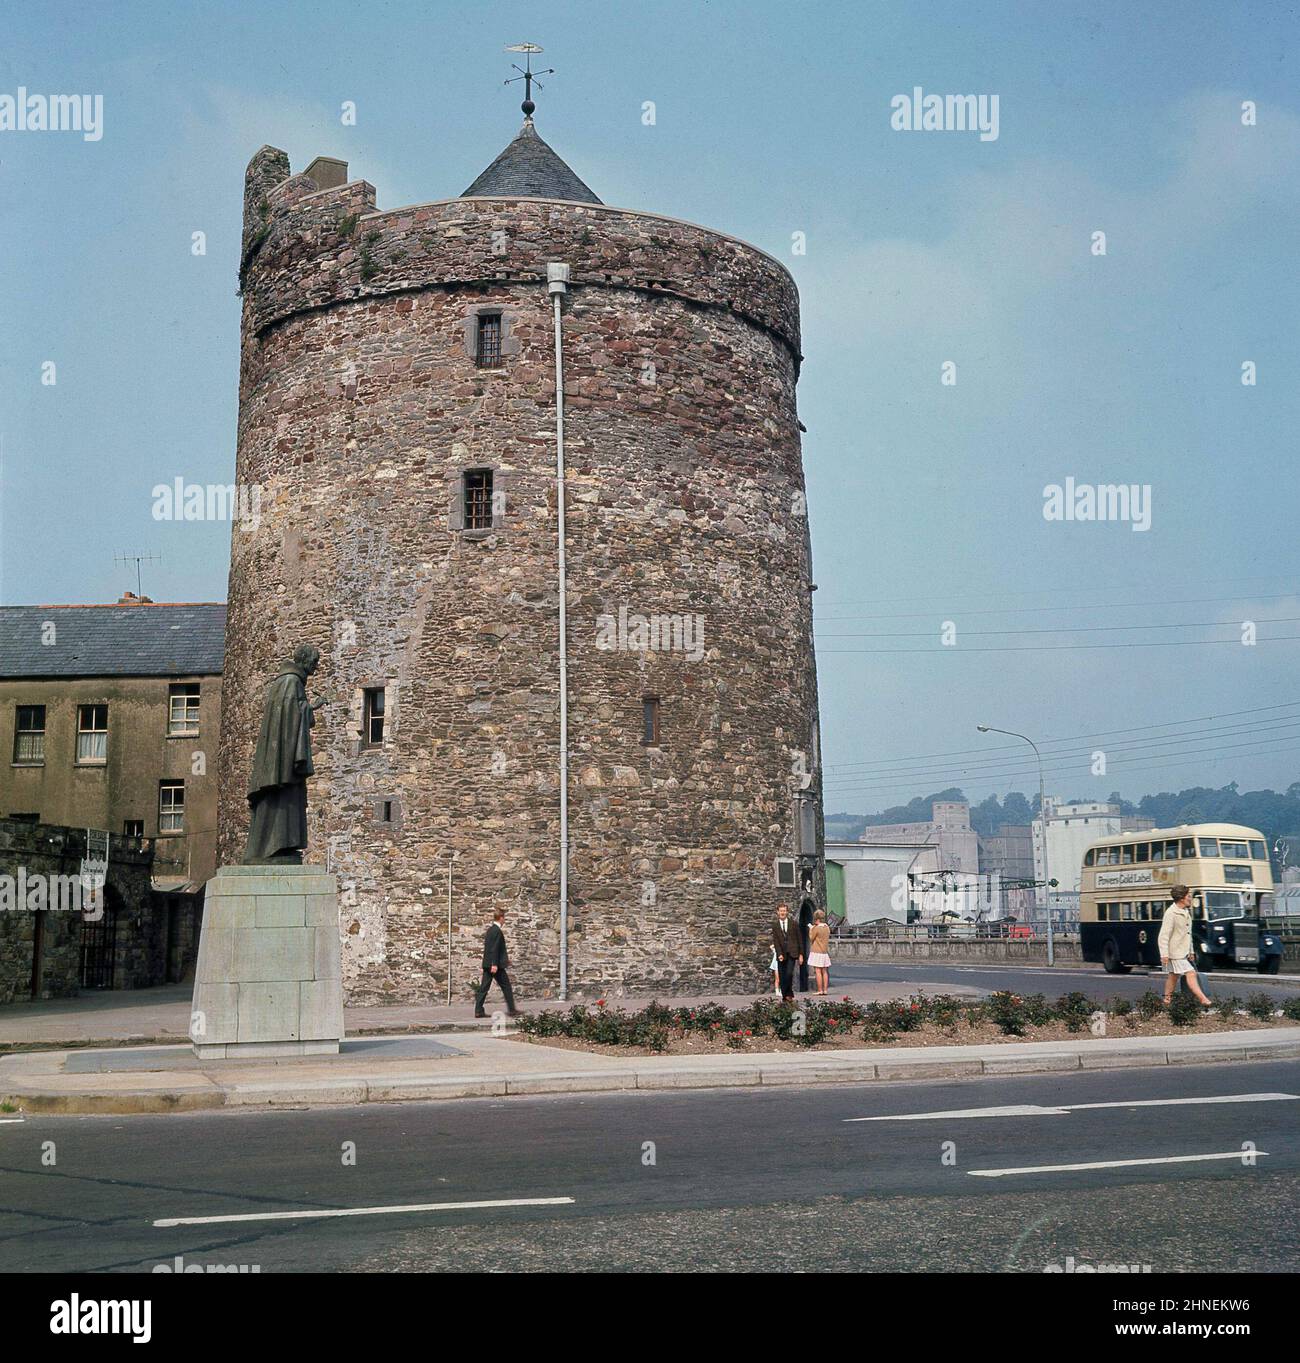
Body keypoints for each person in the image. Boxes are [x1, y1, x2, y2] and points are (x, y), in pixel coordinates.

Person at [1159, 884, 1211, 1008]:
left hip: (1182, 951)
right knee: (1191, 973)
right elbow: (1163, 935)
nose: (1190, 898)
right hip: (1174, 952)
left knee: (1173, 976)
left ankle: (1166, 1001)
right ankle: (1202, 998)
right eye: (1188, 896)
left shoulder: (1185, 912)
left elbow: (1188, 934)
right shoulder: (1171, 913)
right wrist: (1164, 954)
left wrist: (1191, 951)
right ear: (1182, 898)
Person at [474, 908, 519, 1018]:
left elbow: (491, 948)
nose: (505, 921)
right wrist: (494, 964)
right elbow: (494, 948)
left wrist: (504, 960)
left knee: (484, 988)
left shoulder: (490, 930)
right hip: (495, 966)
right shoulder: (497, 931)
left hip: (488, 964)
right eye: (504, 918)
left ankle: (478, 1010)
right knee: (506, 986)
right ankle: (512, 1010)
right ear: (501, 918)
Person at [772, 902, 803, 1003]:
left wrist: (801, 954)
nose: (782, 913)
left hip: (792, 952)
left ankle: (789, 994)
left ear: (787, 912)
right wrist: (779, 954)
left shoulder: (793, 923)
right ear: (777, 912)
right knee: (782, 975)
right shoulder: (775, 925)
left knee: (789, 973)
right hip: (781, 953)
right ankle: (785, 996)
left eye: (784, 911)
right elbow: (776, 941)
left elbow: (799, 939)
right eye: (781, 911)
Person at [807, 908, 832, 995]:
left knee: (817, 971)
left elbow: (811, 938)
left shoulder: (817, 928)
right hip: (824, 951)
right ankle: (825, 990)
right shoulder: (826, 927)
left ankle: (820, 989)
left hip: (817, 951)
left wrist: (811, 928)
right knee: (824, 971)